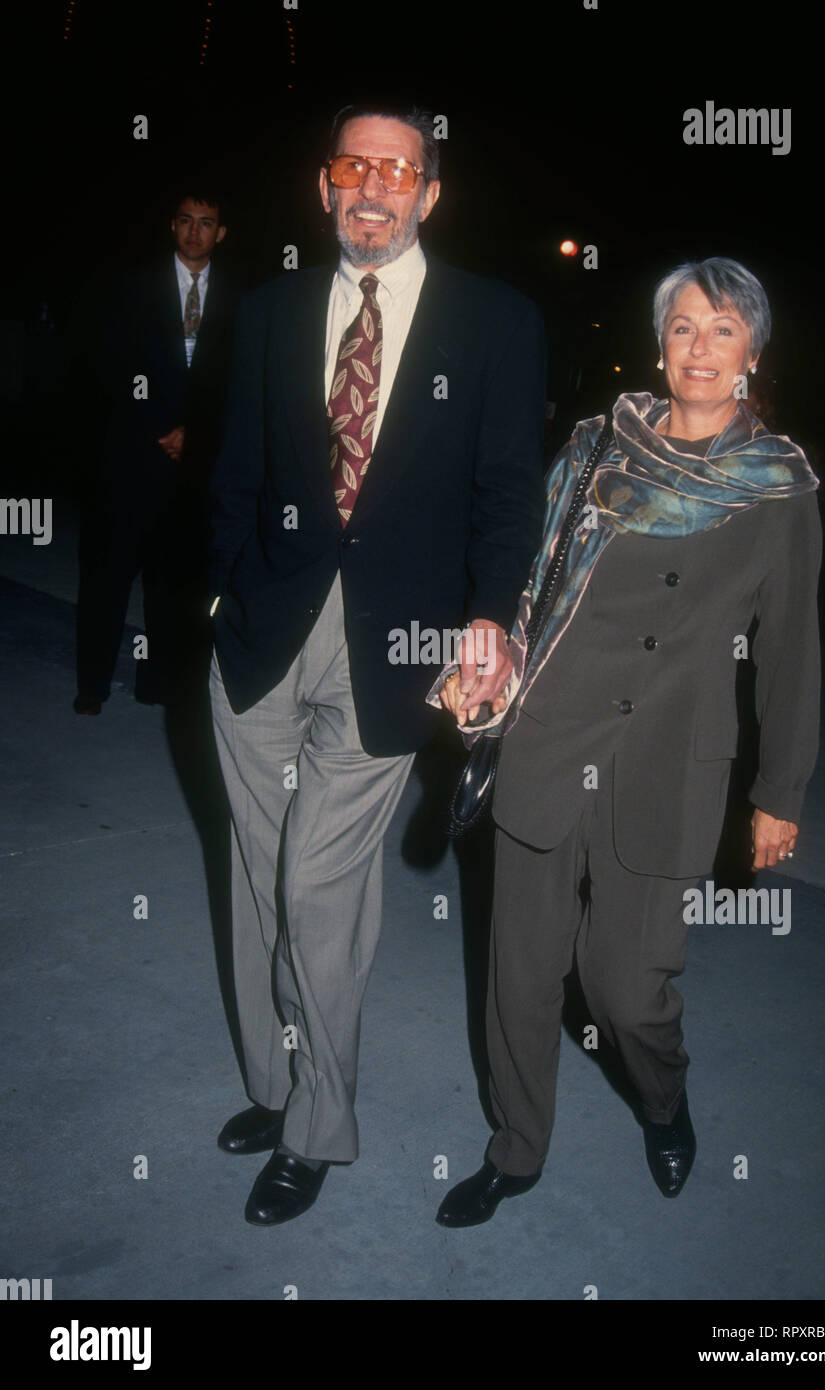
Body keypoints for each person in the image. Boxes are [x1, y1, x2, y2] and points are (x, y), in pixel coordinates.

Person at [208, 103, 546, 1225]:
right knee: (256, 880)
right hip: (259, 633)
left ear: (429, 195)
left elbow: (508, 495)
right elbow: (234, 474)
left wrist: (486, 624)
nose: (372, 186)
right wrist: (214, 595)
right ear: (323, 184)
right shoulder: (265, 312)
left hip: (391, 648)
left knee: (318, 888)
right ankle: (273, 1080)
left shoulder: (494, 321)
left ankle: (317, 1125)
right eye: (352, 165)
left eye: (396, 170)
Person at [431, 257, 822, 1225]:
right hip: (551, 739)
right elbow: (528, 586)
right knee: (518, 975)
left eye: (721, 330)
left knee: (625, 988)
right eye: (682, 327)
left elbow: (790, 655)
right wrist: (486, 667)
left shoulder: (777, 490)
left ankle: (662, 1099)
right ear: (660, 344)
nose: (698, 347)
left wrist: (780, 791)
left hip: (665, 761)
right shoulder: (594, 449)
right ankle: (514, 1149)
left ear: (750, 354)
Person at [73, 191, 238, 713]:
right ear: (172, 226)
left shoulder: (241, 297)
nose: (195, 231)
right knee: (108, 578)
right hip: (129, 458)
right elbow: (108, 366)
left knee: (174, 586)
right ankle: (92, 687)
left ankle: (155, 684)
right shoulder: (133, 287)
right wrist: (159, 427)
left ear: (221, 233)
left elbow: (239, 380)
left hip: (194, 470)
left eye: (206, 223)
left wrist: (198, 433)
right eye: (186, 221)